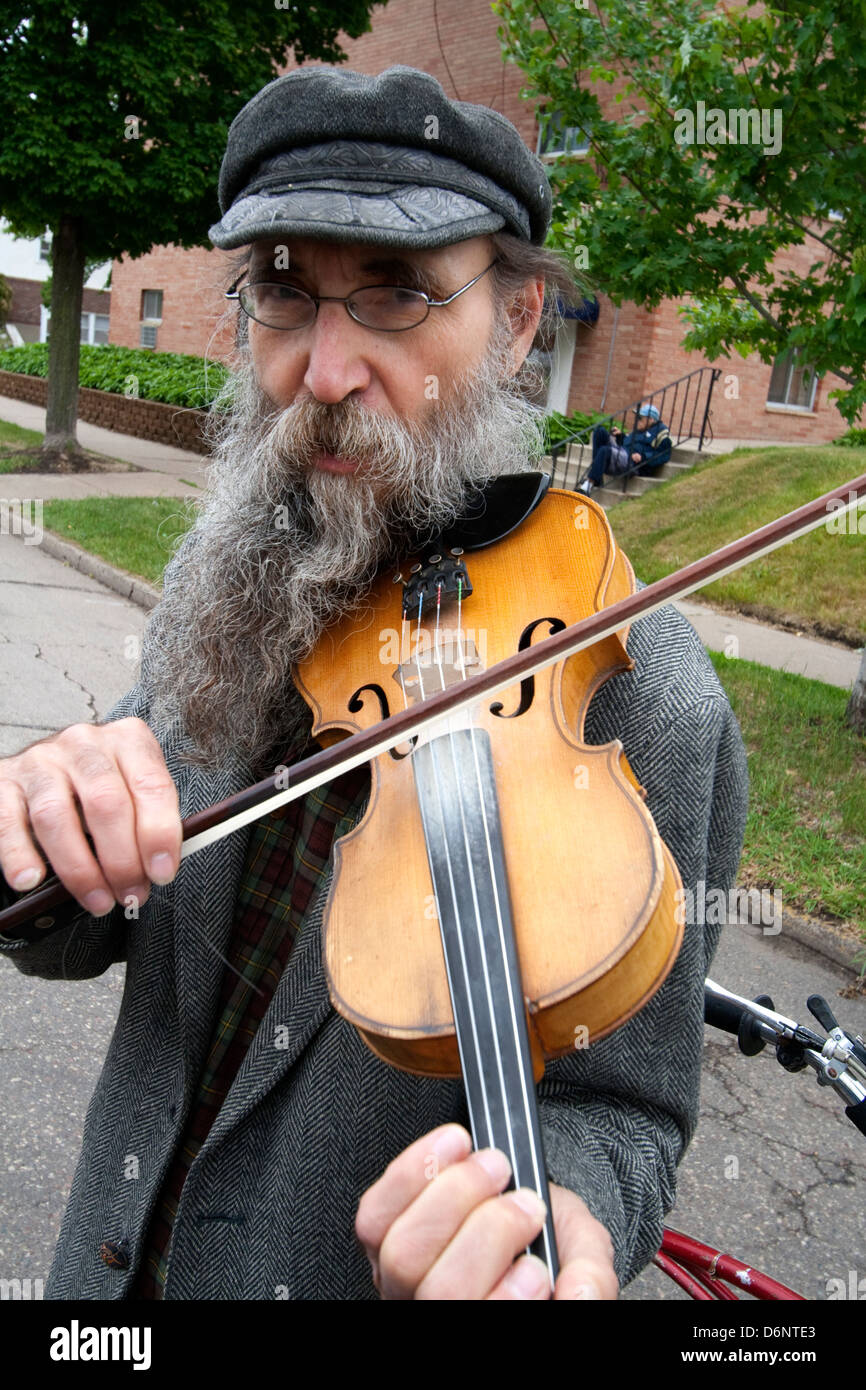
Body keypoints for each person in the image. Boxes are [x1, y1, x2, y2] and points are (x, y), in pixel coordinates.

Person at [0, 65, 748, 1301]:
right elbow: (101, 914)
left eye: (395, 294)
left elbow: (624, 1115)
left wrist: (562, 1224)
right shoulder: (229, 578)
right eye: (287, 291)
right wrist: (40, 841)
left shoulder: (640, 697)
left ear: (513, 326)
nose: (325, 369)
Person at [577, 404, 672, 496]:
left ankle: (588, 486)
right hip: (624, 452)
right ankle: (596, 477)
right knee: (599, 431)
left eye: (640, 418)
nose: (637, 420)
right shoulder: (640, 429)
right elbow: (627, 444)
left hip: (633, 463)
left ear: (651, 419)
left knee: (604, 450)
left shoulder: (661, 433)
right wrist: (620, 436)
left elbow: (664, 455)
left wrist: (643, 456)